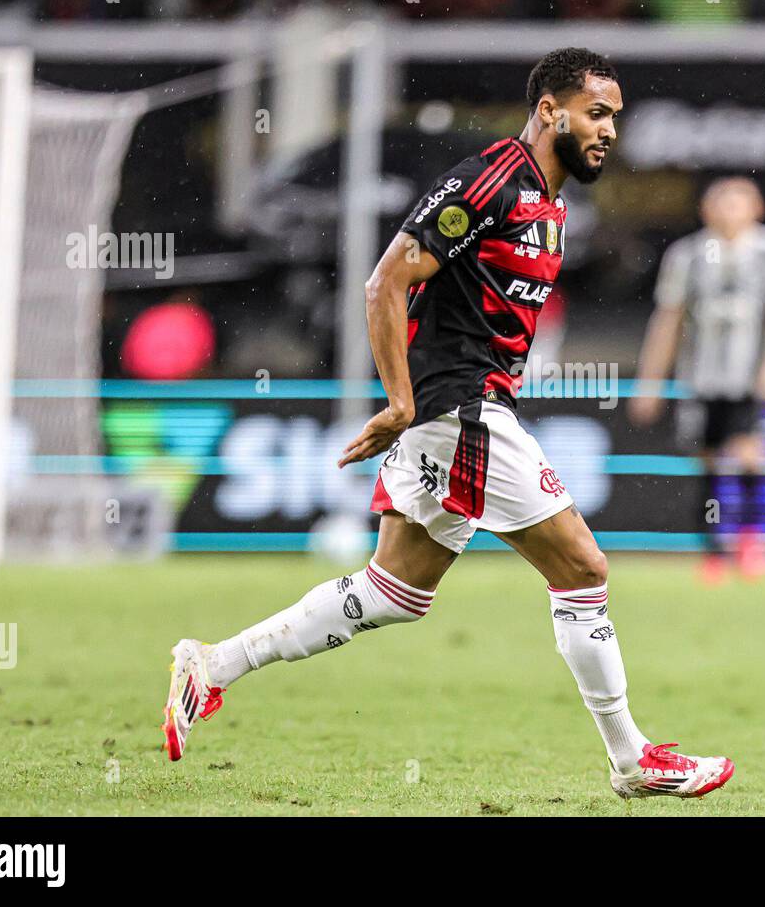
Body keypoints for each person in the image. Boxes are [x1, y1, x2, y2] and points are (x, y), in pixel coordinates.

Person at [159, 48, 734, 800]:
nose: (610, 131)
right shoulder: (491, 180)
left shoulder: (552, 205)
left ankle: (213, 664)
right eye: (597, 113)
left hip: (460, 410)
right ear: (550, 110)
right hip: (460, 409)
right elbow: (385, 282)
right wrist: (402, 402)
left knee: (395, 591)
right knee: (584, 570)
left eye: (615, 117)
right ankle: (631, 758)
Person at [631, 177, 765, 583]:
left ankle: (750, 538)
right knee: (707, 460)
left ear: (757, 208)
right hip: (702, 378)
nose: (729, 211)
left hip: (749, 377)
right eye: (721, 202)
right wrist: (651, 382)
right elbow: (668, 319)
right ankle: (712, 549)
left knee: (749, 453)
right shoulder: (687, 254)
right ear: (705, 210)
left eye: (738, 202)